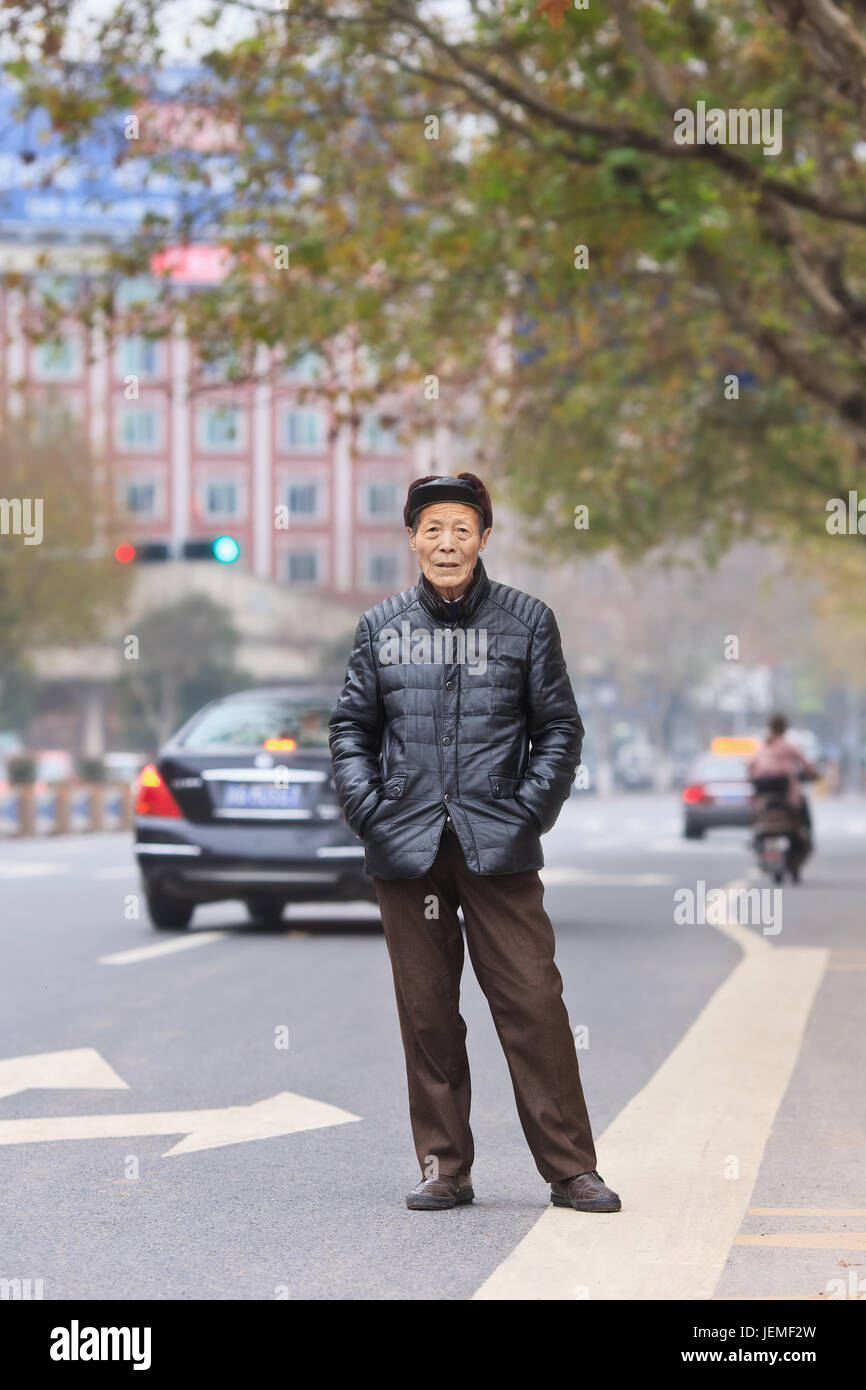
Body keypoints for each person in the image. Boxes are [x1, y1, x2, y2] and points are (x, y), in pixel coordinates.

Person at [329, 472, 620, 1213]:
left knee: (533, 1002)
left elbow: (560, 728)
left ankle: (571, 1169)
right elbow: (351, 733)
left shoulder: (528, 622)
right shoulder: (381, 629)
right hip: (408, 851)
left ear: (484, 539)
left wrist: (526, 811)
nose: (447, 543)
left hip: (499, 848)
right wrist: (372, 811)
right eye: (432, 529)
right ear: (413, 541)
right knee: (426, 1012)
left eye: (461, 529)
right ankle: (443, 1167)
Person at [748, 714, 819, 877]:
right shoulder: (788, 747)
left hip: (763, 801)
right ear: (784, 729)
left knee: (754, 816)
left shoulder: (762, 747)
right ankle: (806, 835)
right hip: (788, 797)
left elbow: (749, 765)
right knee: (803, 817)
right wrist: (813, 774)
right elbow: (807, 766)